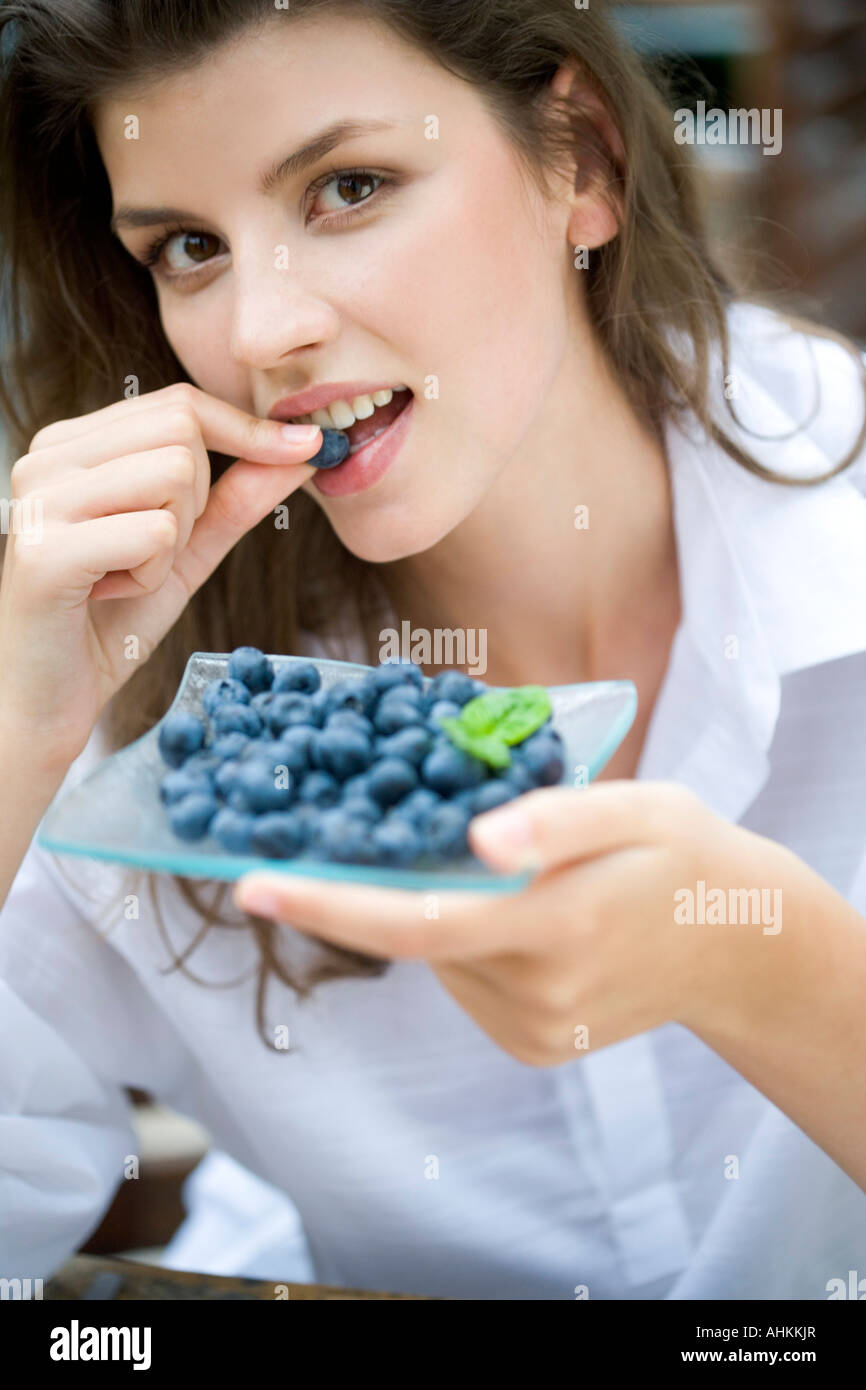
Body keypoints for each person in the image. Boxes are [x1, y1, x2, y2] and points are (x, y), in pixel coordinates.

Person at [0, 0, 864, 1301]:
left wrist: (765, 965)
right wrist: (15, 730)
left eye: (347, 187)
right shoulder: (128, 702)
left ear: (579, 160)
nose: (257, 333)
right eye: (187, 246)